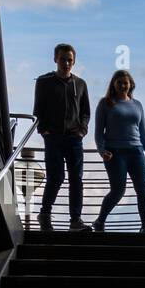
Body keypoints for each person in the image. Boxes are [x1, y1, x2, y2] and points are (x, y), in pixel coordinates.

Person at [33, 43, 91, 231]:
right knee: (56, 177)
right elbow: (38, 110)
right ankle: (45, 213)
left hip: (74, 138)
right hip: (53, 138)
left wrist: (82, 130)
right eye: (63, 59)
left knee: (76, 179)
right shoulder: (44, 81)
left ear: (74, 61)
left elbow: (85, 112)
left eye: (70, 60)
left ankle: (75, 220)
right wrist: (44, 131)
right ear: (55, 59)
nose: (66, 63)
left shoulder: (80, 84)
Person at [93, 70, 145, 233]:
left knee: (142, 189)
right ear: (113, 85)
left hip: (136, 152)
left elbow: (143, 134)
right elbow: (98, 132)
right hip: (115, 153)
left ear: (131, 85)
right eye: (119, 82)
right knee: (118, 190)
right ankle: (100, 221)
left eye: (125, 82)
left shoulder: (137, 105)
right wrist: (102, 151)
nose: (123, 85)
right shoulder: (105, 103)